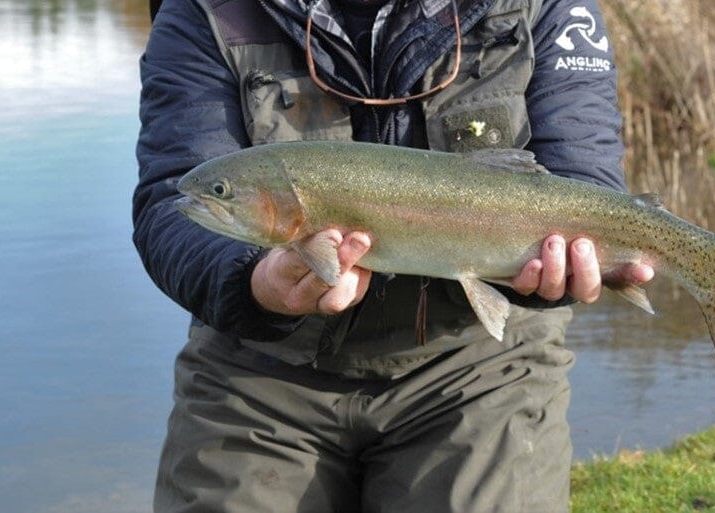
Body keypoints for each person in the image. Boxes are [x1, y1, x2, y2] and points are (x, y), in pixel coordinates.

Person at [134, 0, 652, 511]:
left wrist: (554, 278)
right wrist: (254, 285)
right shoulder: (206, 11)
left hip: (481, 363)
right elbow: (171, 203)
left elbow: (584, 183)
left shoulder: (548, 7)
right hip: (258, 368)